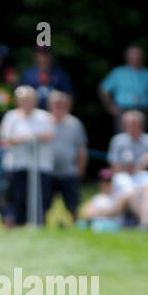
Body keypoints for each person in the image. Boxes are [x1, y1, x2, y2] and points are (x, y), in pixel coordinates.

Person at [1, 86, 55, 226]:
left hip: (40, 164)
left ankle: (39, 223)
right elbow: (6, 139)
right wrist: (25, 138)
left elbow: (50, 135)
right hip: (18, 164)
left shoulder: (44, 116)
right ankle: (20, 224)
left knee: (41, 197)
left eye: (29, 99)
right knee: (19, 197)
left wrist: (34, 137)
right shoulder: (11, 116)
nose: (26, 103)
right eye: (23, 100)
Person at [105, 110, 148, 228]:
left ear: (141, 124)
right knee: (130, 192)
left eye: (135, 123)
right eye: (129, 123)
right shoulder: (118, 140)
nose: (132, 126)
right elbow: (114, 164)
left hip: (142, 174)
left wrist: (138, 167)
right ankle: (146, 221)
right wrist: (130, 168)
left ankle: (146, 223)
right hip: (123, 175)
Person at [46, 90, 86, 223]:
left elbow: (81, 150)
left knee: (73, 206)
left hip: (69, 172)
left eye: (61, 104)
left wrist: (80, 171)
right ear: (49, 105)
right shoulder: (43, 122)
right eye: (55, 104)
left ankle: (77, 226)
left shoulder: (75, 124)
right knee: (44, 206)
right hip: (47, 172)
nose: (58, 107)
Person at [98, 45, 148, 131]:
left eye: (138, 54)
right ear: (127, 57)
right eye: (133, 54)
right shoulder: (118, 72)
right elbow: (104, 89)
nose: (136, 57)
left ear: (142, 56)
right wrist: (110, 106)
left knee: (142, 137)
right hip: (123, 111)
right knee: (122, 137)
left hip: (143, 111)